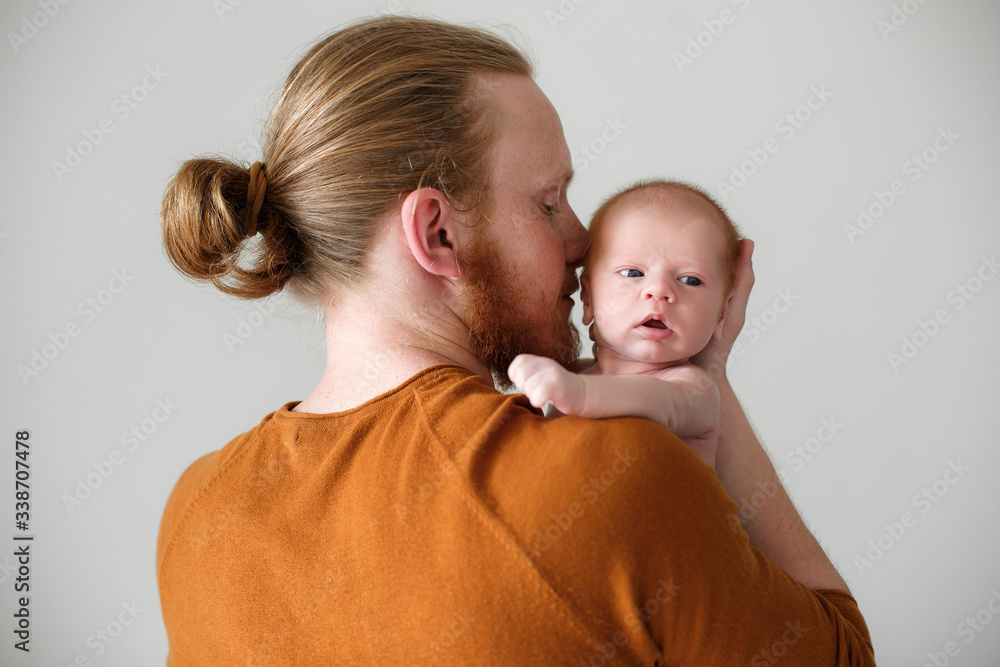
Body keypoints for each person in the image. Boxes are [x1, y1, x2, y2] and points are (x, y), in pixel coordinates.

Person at [156, 15, 875, 665]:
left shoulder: (195, 516)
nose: (583, 239)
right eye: (548, 202)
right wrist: (703, 380)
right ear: (437, 231)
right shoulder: (617, 475)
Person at [508, 180, 742, 467]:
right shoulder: (571, 373)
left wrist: (577, 393)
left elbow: (660, 403)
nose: (658, 290)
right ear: (589, 299)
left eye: (690, 280)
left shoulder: (694, 389)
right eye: (633, 273)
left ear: (721, 315)